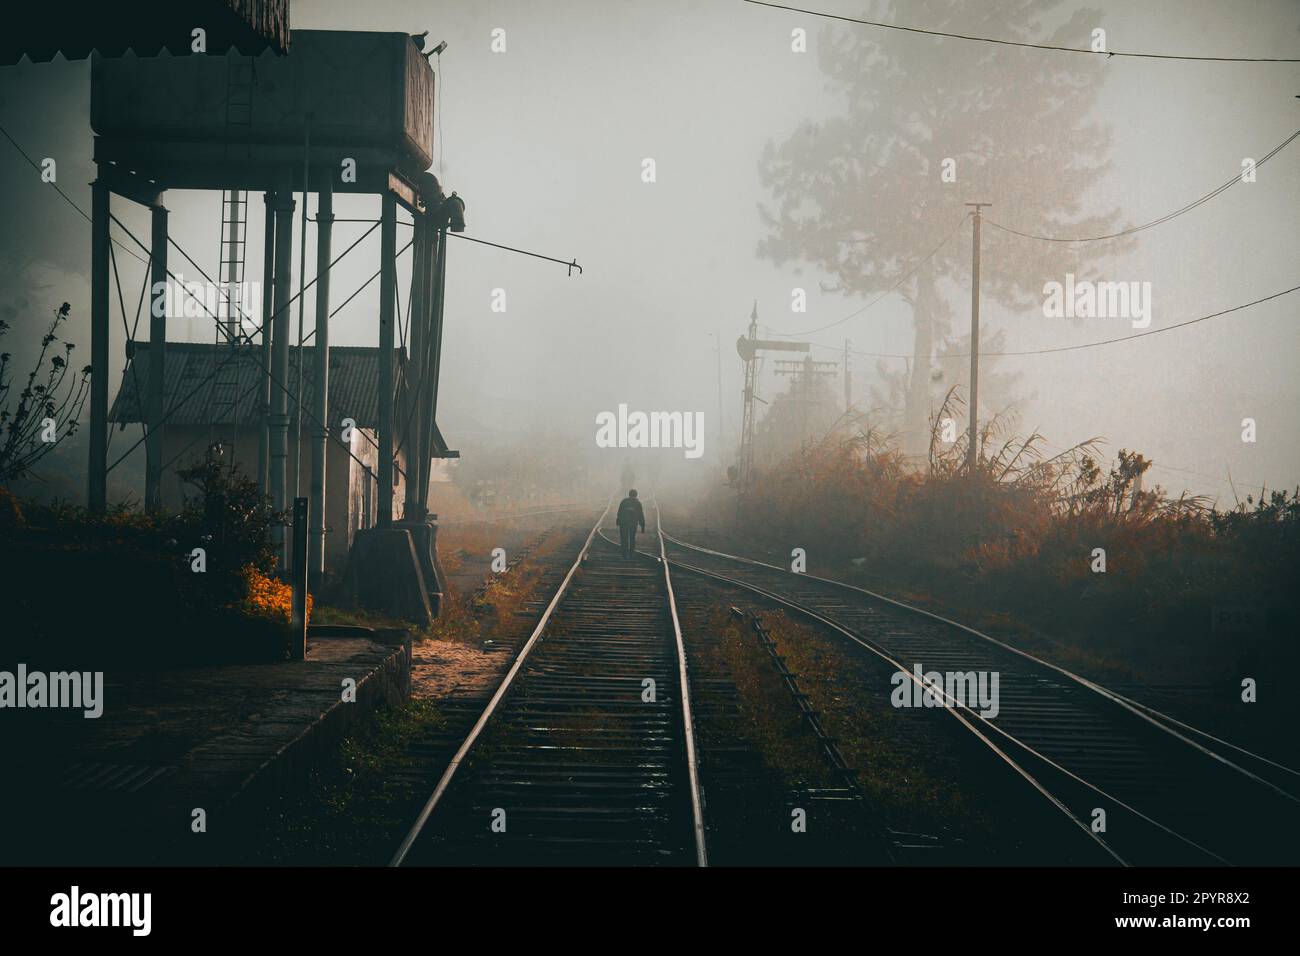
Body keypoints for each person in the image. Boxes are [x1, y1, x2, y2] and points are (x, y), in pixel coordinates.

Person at [616, 489, 646, 558]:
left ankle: (624, 553)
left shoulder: (624, 501)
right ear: (636, 495)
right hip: (633, 524)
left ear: (629, 494)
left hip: (623, 523)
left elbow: (619, 512)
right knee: (632, 538)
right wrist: (642, 526)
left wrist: (618, 521)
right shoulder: (638, 503)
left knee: (624, 539)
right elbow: (640, 515)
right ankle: (631, 554)